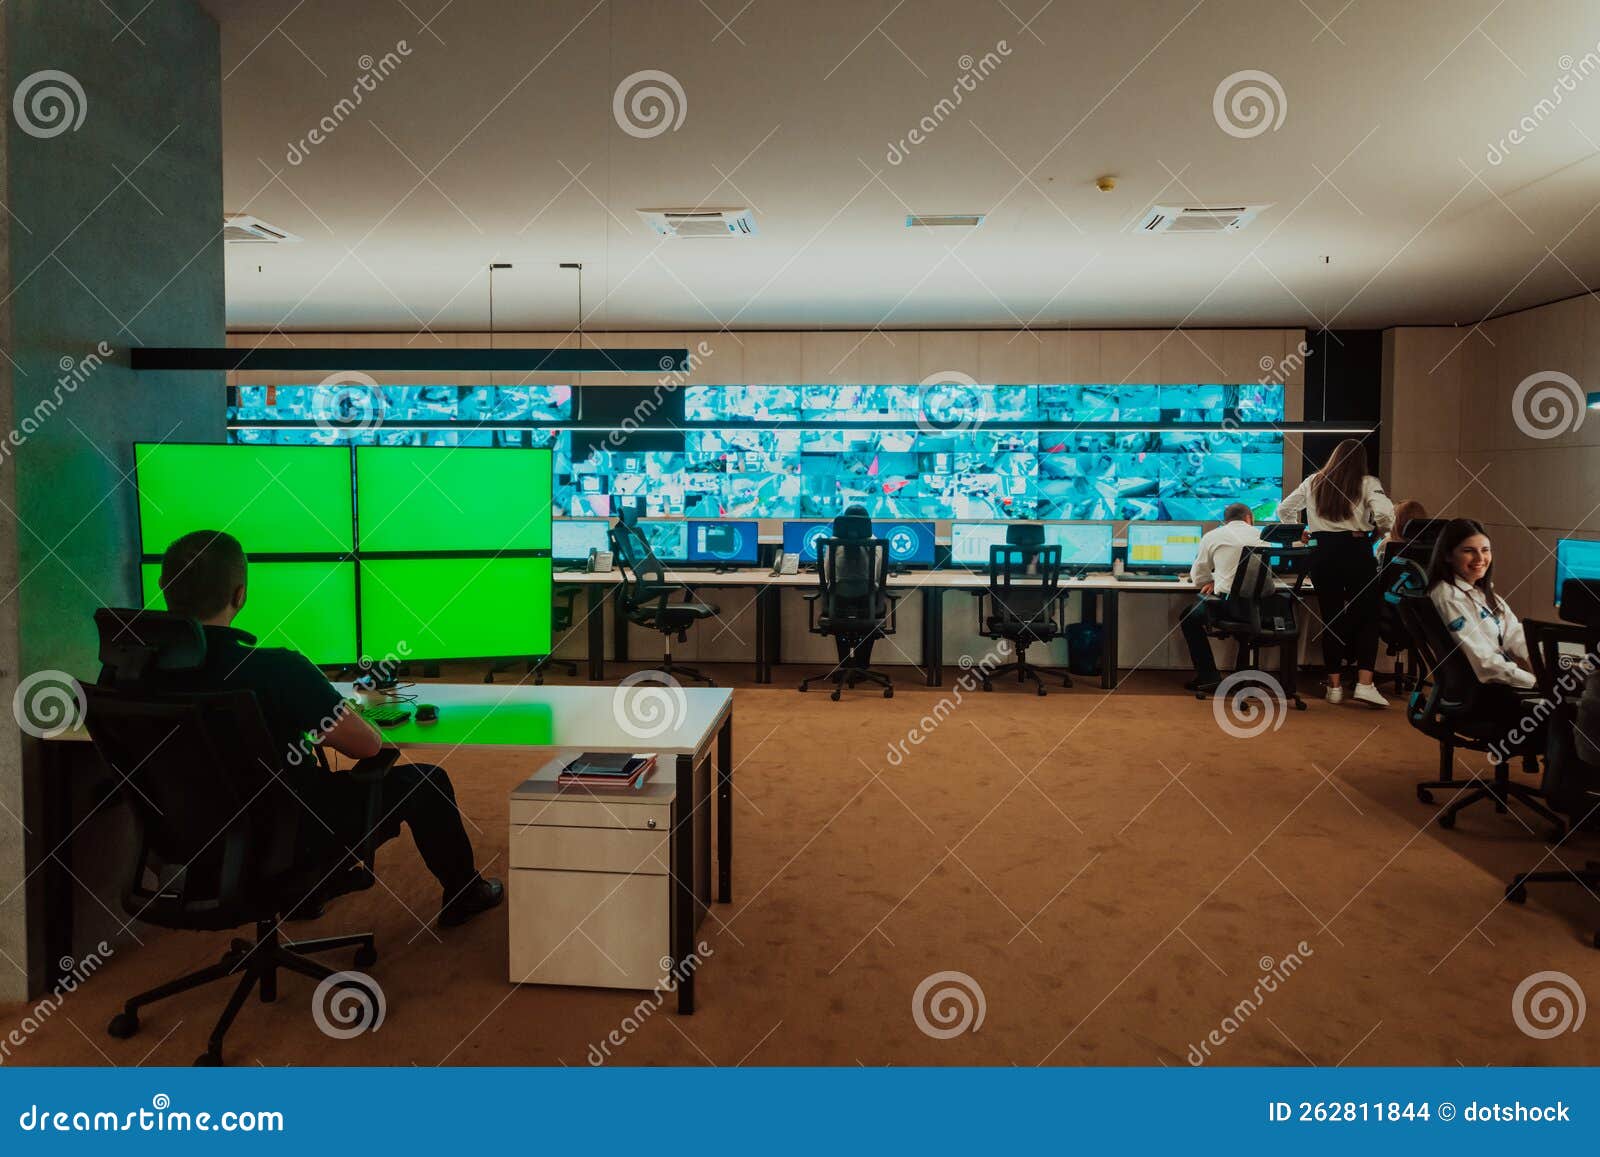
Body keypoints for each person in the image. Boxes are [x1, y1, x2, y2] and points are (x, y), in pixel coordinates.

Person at [144, 530, 504, 927]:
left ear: (164, 587)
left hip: (183, 845)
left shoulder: (127, 673)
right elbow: (367, 747)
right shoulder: (277, 670)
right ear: (240, 595)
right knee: (427, 783)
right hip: (286, 837)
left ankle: (302, 893)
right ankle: (464, 894)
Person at [1277, 438, 1394, 707]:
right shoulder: (1368, 482)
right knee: (1368, 617)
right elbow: (1387, 515)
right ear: (1361, 461)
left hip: (1322, 554)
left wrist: (1301, 532)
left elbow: (1284, 509)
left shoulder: (1313, 481)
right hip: (1356, 551)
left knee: (1331, 618)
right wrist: (1379, 531)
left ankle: (1334, 687)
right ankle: (1365, 685)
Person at [1425, 518, 1547, 754]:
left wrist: (1543, 663)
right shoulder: (1448, 595)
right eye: (1469, 551)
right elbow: (1484, 664)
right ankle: (1561, 787)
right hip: (1477, 695)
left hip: (1490, 688)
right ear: (1448, 556)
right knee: (1571, 713)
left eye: (1485, 550)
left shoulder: (1482, 592)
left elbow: (1515, 633)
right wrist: (1535, 682)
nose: (1480, 559)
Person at [1179, 502, 1264, 692]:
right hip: (1260, 608)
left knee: (1188, 617)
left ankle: (1208, 677)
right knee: (1246, 623)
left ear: (1225, 521)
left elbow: (1199, 577)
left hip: (1229, 607)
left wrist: (1214, 580)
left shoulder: (1213, 536)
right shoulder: (1263, 536)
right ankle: (1243, 678)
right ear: (1249, 518)